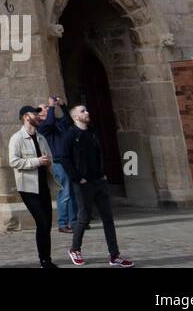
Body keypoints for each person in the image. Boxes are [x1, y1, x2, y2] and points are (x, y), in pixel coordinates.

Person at [62, 104, 134, 267]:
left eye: (86, 110)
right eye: (83, 111)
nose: (87, 112)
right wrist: (77, 178)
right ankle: (75, 249)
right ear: (75, 117)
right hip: (83, 183)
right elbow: (64, 158)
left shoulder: (93, 133)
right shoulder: (70, 135)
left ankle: (114, 255)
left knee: (108, 219)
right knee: (84, 217)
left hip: (99, 181)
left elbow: (99, 154)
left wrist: (103, 173)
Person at [9, 105, 58, 267]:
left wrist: (48, 162)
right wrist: (36, 161)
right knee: (42, 222)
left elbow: (49, 157)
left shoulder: (41, 137)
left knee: (47, 224)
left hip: (43, 185)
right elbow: (13, 161)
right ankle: (44, 260)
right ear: (25, 117)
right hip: (28, 187)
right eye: (33, 113)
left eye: (38, 113)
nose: (37, 116)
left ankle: (47, 258)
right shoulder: (17, 138)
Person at [38, 94, 74, 234]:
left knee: (71, 193)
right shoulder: (42, 126)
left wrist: (63, 106)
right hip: (57, 163)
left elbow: (69, 121)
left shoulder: (57, 122)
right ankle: (62, 223)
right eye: (44, 108)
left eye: (48, 107)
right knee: (64, 193)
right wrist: (52, 106)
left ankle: (73, 221)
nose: (47, 109)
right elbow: (49, 122)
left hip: (66, 160)